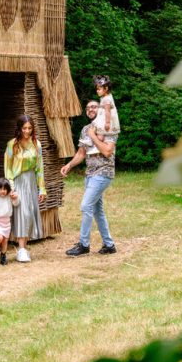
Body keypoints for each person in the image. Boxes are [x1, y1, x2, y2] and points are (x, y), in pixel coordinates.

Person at [61, 98, 117, 256]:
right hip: (90, 175)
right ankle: (109, 245)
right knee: (97, 211)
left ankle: (83, 245)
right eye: (88, 108)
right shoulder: (86, 129)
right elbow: (81, 153)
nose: (90, 109)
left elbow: (107, 151)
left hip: (103, 172)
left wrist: (93, 135)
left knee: (86, 206)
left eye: (94, 106)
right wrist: (69, 165)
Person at [3, 114, 47, 263]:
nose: (27, 131)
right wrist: (11, 188)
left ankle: (23, 248)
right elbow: (8, 168)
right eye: (24, 128)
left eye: (30, 128)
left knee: (29, 214)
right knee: (22, 213)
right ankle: (21, 250)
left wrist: (42, 188)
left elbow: (39, 168)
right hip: (18, 181)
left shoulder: (37, 144)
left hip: (31, 181)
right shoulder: (12, 144)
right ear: (19, 129)